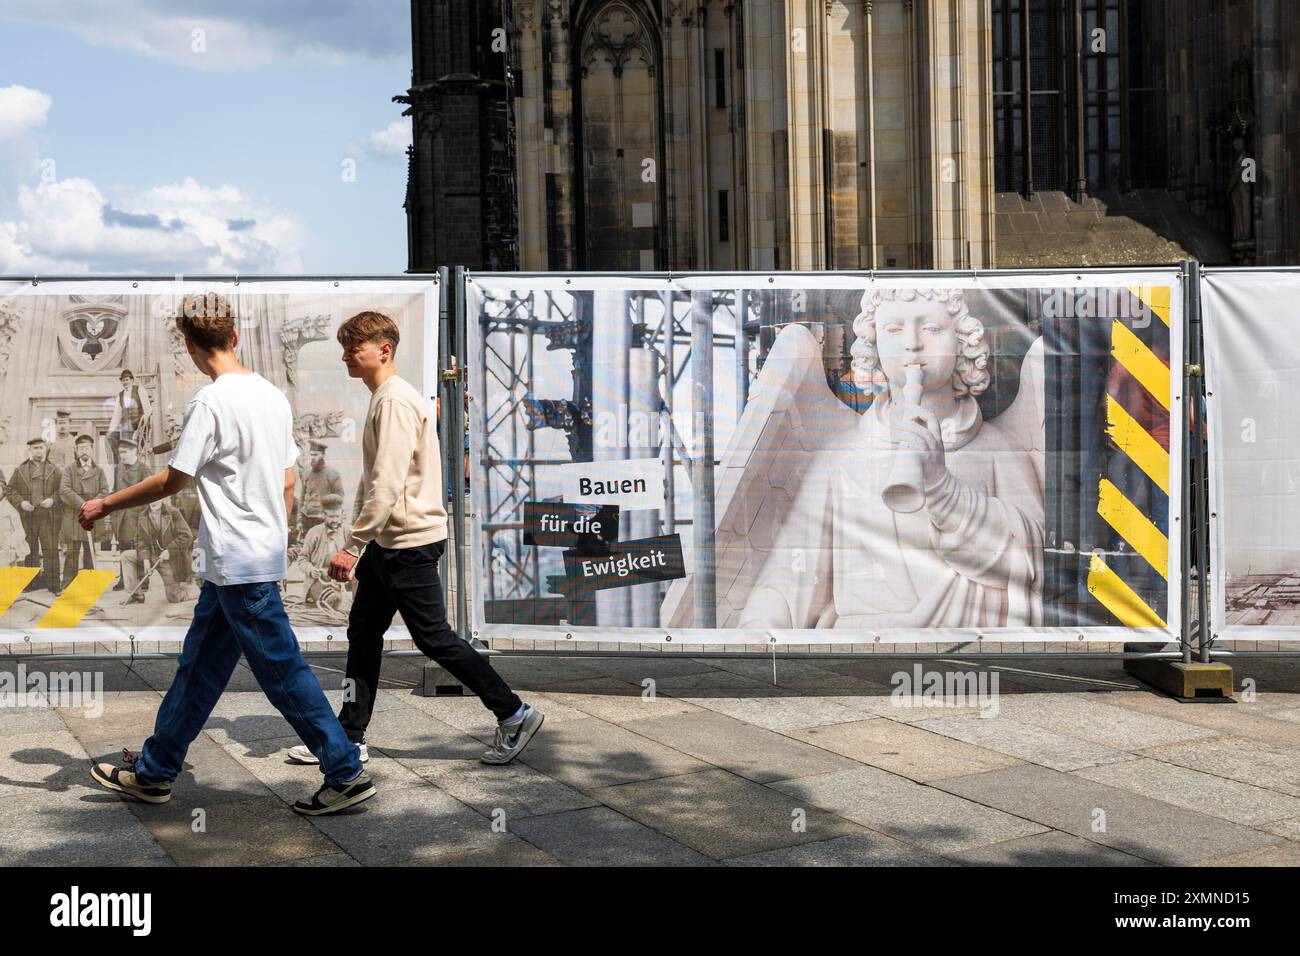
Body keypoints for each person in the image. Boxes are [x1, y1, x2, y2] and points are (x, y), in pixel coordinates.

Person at [82, 291, 373, 815]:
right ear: (234, 336)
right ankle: (154, 772)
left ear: (191, 347)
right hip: (246, 560)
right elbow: (288, 484)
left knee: (283, 673)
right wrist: (271, 535)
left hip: (236, 563)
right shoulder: (272, 397)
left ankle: (345, 771)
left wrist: (106, 503)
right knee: (198, 669)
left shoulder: (210, 403)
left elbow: (173, 480)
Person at [286, 311, 543, 766]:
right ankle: (348, 737)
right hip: (391, 544)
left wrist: (352, 544)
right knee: (363, 635)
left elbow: (387, 484)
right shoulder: (385, 397)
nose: (346, 355)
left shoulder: (394, 402)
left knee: (434, 638)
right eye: (344, 347)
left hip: (408, 542)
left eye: (355, 347)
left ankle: (513, 712)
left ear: (384, 350)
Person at [6, 437, 63, 593]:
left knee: (50, 549)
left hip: (48, 516)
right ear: (29, 450)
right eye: (35, 448)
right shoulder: (20, 470)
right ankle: (31, 583)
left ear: (45, 449)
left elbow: (62, 490)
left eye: (41, 447)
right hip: (28, 517)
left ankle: (54, 585)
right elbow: (10, 490)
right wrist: (21, 502)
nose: (39, 450)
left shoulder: (55, 470)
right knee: (30, 550)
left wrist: (52, 499)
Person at [121, 498, 197, 604]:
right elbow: (140, 541)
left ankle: (195, 589)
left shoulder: (173, 513)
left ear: (163, 498)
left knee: (174, 598)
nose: (154, 500)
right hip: (152, 556)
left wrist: (169, 551)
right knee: (126, 556)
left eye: (157, 497)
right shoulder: (143, 515)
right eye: (151, 497)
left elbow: (186, 536)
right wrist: (145, 559)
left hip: (170, 560)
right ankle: (134, 594)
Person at [59, 434, 110, 582]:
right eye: (81, 448)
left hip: (92, 516)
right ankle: (68, 584)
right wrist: (82, 504)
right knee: (72, 551)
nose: (84, 451)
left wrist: (92, 505)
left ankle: (88, 584)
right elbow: (64, 490)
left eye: (87, 448)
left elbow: (105, 490)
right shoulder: (69, 469)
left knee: (90, 550)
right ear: (76, 451)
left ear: (92, 450)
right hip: (75, 515)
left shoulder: (99, 471)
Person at [111, 437, 148, 592]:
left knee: (138, 548)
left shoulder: (143, 469)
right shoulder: (119, 468)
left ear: (134, 451)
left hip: (137, 516)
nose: (122, 455)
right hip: (121, 516)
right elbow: (115, 489)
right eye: (120, 452)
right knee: (123, 548)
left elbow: (150, 494)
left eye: (125, 452)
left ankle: (142, 581)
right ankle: (124, 580)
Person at [107, 368, 152, 466]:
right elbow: (116, 415)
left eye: (127, 379)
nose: (125, 382)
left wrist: (144, 422)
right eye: (123, 380)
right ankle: (118, 463)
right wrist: (111, 429)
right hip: (126, 428)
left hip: (139, 426)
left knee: (134, 451)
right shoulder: (121, 395)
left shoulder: (139, 389)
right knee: (110, 437)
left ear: (132, 380)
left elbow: (147, 408)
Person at [299, 440, 343, 537]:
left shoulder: (333, 474)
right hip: (307, 518)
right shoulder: (307, 473)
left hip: (323, 519)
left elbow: (339, 499)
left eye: (315, 455)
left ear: (323, 455)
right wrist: (299, 520)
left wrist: (333, 519)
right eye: (311, 455)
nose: (312, 458)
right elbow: (302, 498)